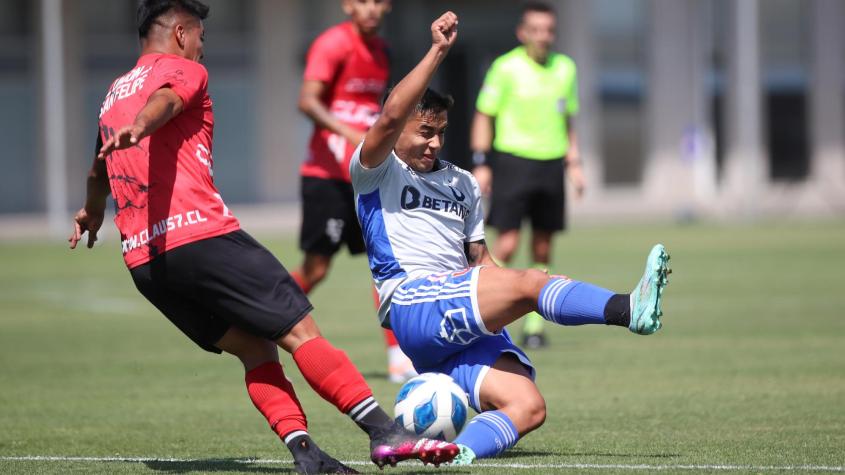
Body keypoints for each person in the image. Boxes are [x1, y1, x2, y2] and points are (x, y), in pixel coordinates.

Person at [68, 1, 457, 472]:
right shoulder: (183, 69)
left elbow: (98, 168)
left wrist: (92, 211)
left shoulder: (112, 94)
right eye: (201, 37)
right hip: (201, 237)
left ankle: (307, 455)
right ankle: (384, 431)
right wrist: (143, 126)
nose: (202, 48)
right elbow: (166, 101)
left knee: (255, 348)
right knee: (301, 332)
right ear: (181, 34)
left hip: (145, 263)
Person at [350, 10, 671, 465]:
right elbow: (389, 116)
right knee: (532, 282)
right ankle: (628, 309)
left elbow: (480, 260)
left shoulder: (462, 183)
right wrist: (438, 50)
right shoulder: (376, 171)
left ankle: (459, 451)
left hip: (452, 315)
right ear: (398, 129)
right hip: (412, 302)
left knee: (528, 405)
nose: (435, 143)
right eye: (424, 132)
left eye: (441, 133)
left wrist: (509, 297)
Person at [291, 0, 415, 383]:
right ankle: (262, 319)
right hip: (326, 175)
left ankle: (399, 357)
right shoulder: (332, 44)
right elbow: (306, 101)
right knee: (316, 269)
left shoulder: (382, 52)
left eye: (378, 1)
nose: (371, 8)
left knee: (386, 264)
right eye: (363, 1)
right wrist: (348, 134)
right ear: (347, 5)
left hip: (367, 176)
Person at [470, 1, 586, 349]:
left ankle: (534, 327)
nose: (542, 36)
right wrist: (482, 162)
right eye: (535, 30)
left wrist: (574, 162)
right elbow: (483, 115)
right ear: (522, 32)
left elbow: (567, 120)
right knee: (506, 243)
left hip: (551, 164)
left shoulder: (565, 68)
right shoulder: (505, 68)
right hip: (513, 162)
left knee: (543, 246)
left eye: (548, 30)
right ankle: (480, 310)